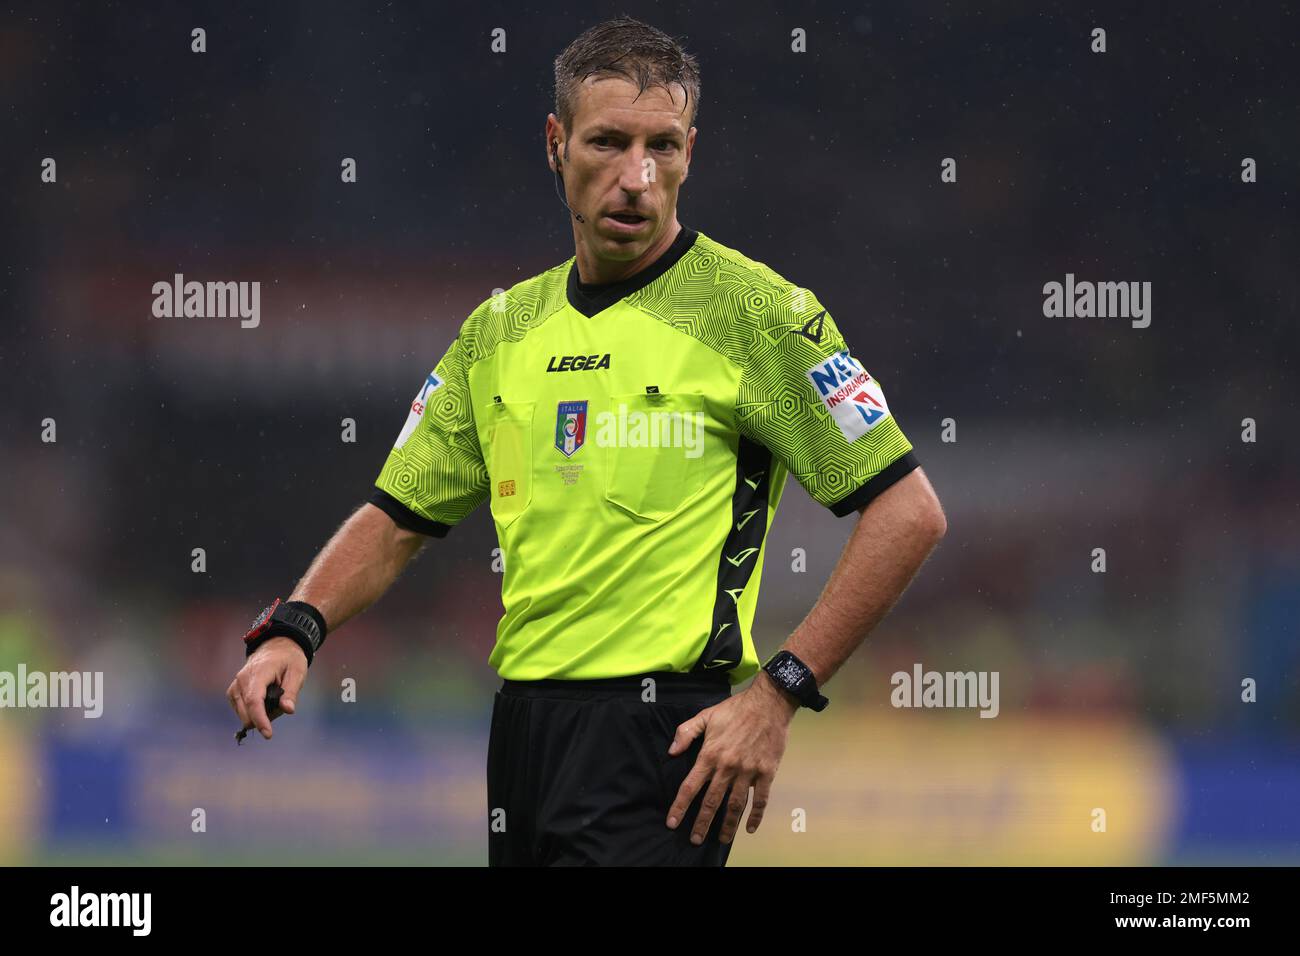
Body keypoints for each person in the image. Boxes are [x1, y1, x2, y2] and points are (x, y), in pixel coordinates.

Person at [226, 15, 946, 866]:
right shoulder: (500, 330)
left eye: (664, 148)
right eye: (609, 142)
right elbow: (397, 517)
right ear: (556, 144)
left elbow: (909, 513)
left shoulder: (757, 314)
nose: (638, 178)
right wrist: (295, 627)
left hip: (663, 742)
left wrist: (779, 693)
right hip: (525, 735)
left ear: (691, 152)